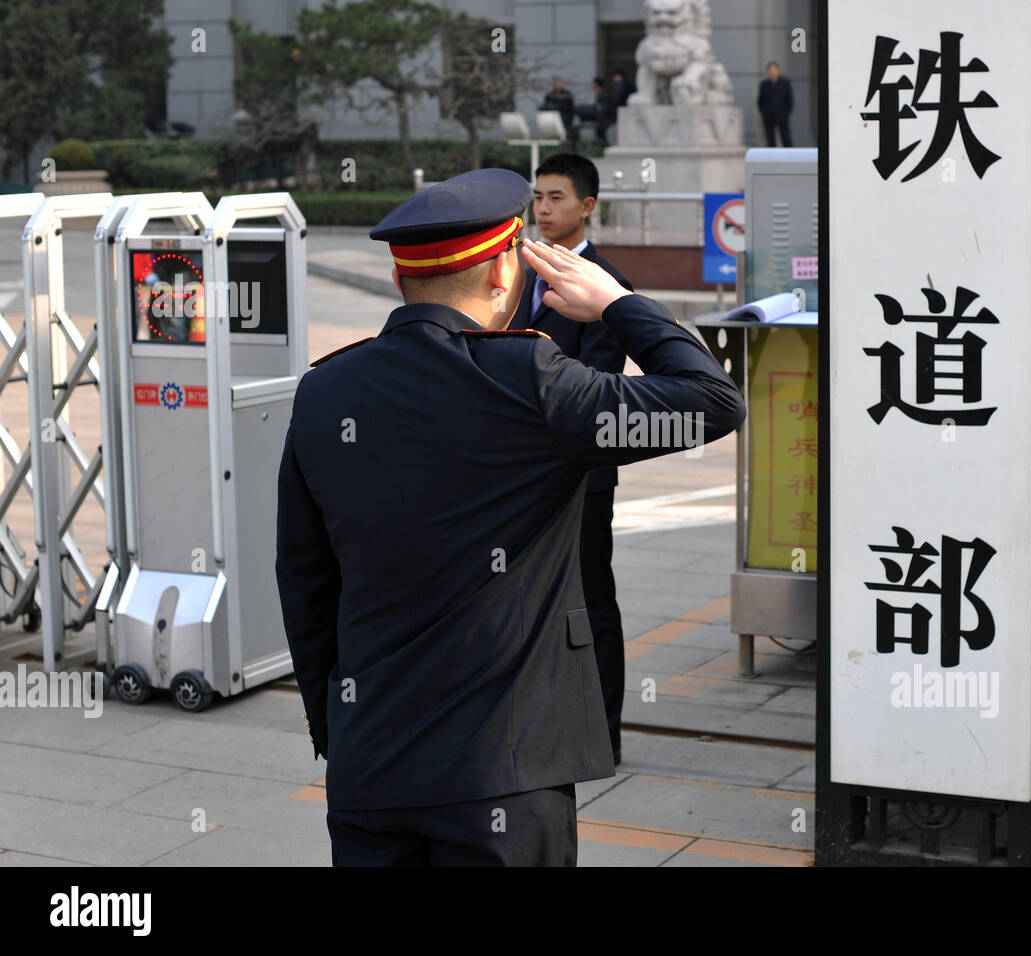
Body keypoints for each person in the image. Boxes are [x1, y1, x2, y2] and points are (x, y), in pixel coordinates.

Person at [275, 168, 746, 866]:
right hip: (504, 773)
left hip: (369, 762)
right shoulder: (534, 379)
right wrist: (619, 303)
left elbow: (304, 579)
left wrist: (336, 723)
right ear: (504, 274)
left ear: (403, 278)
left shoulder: (323, 390)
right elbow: (714, 400)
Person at [514, 152, 631, 765]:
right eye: (538, 197)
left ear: (587, 206)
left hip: (579, 474)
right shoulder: (516, 274)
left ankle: (602, 734)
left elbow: (600, 382)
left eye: (556, 197)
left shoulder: (607, 287)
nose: (544, 208)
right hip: (518, 471)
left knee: (591, 600)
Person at [757, 61, 794, 147]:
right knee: (770, 139)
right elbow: (760, 101)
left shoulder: (785, 83)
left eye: (774, 70)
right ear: (768, 72)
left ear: (778, 71)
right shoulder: (764, 84)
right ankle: (771, 158)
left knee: (786, 138)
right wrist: (764, 113)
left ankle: (790, 157)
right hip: (768, 116)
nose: (772, 72)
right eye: (770, 71)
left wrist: (786, 113)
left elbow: (789, 100)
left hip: (782, 115)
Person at [541, 77, 577, 146]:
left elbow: (570, 108)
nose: (559, 85)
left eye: (560, 83)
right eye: (557, 83)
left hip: (565, 119)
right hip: (551, 121)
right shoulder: (550, 95)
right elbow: (546, 106)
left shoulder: (567, 95)